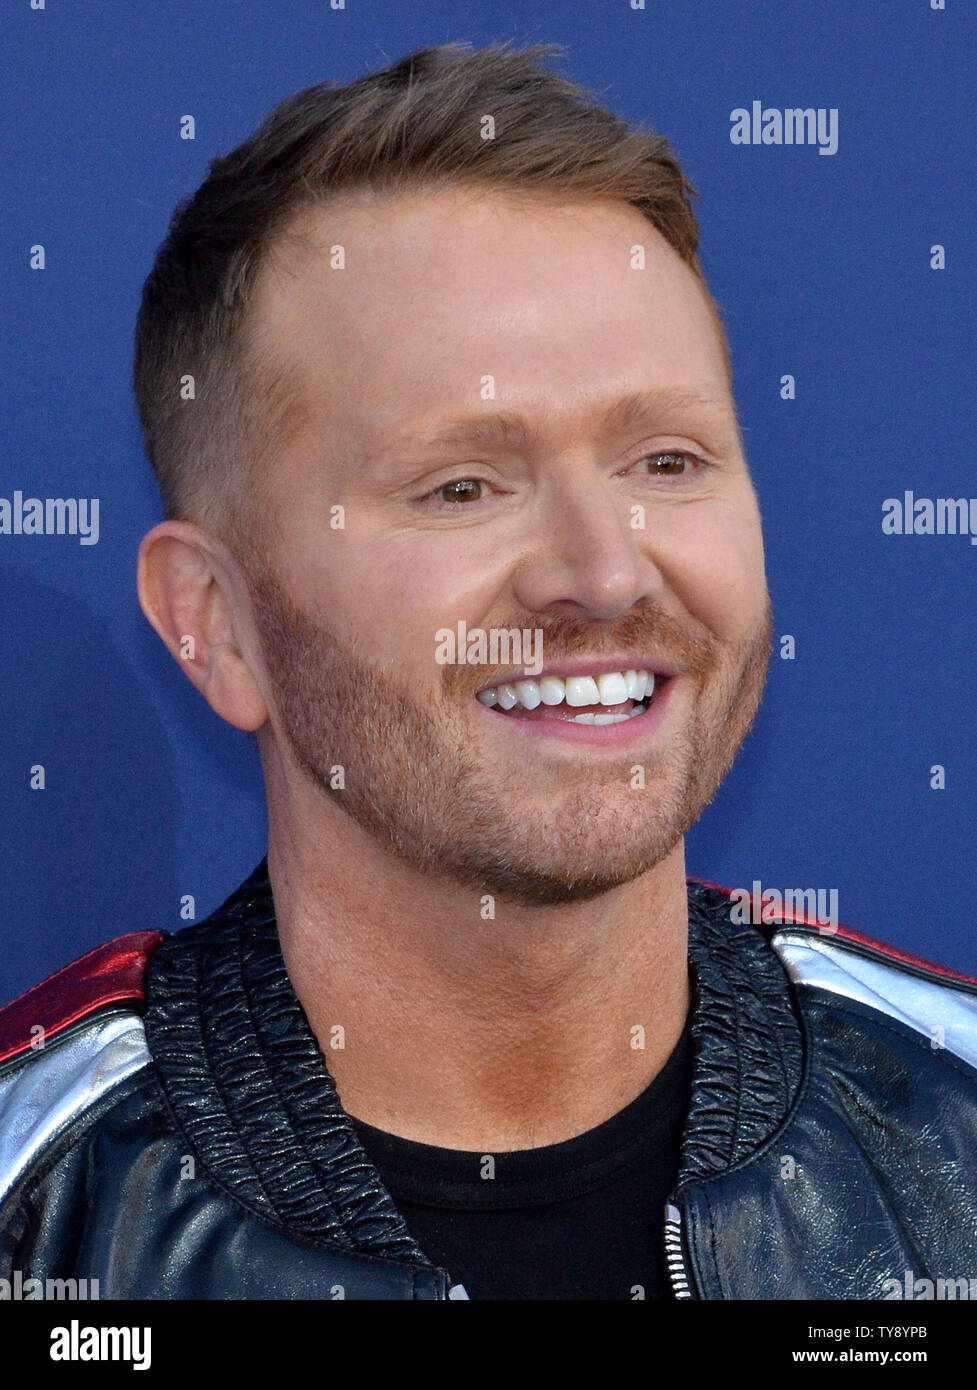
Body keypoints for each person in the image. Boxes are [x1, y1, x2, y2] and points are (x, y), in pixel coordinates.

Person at [2, 41, 976, 1302]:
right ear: (217, 625)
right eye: (461, 484)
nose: (604, 571)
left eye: (665, 461)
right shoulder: (47, 1215)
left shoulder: (947, 1128)